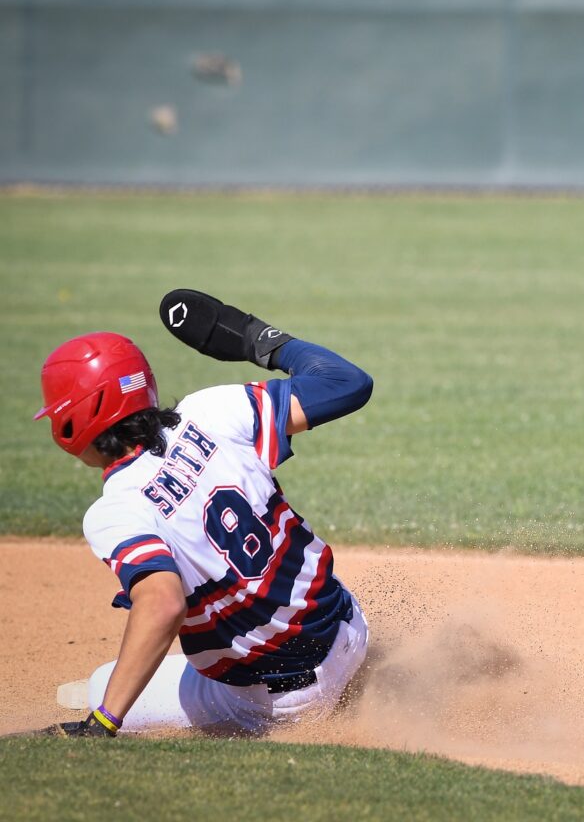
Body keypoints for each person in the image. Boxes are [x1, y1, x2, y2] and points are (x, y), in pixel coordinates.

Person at [31, 290, 373, 737]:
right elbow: (347, 383)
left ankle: (109, 703)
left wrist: (104, 722)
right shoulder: (211, 411)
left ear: (71, 424)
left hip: (284, 701)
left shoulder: (117, 509)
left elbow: (163, 605)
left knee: (101, 687)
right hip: (351, 631)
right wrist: (257, 338)